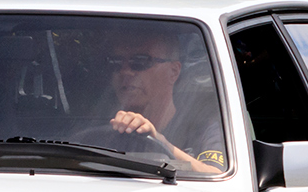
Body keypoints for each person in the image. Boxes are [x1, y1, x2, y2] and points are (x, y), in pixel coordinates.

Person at [81, 30, 226, 174]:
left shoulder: (206, 127)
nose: (125, 71)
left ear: (174, 71)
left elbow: (218, 176)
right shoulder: (100, 131)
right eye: (116, 63)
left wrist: (159, 142)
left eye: (140, 62)